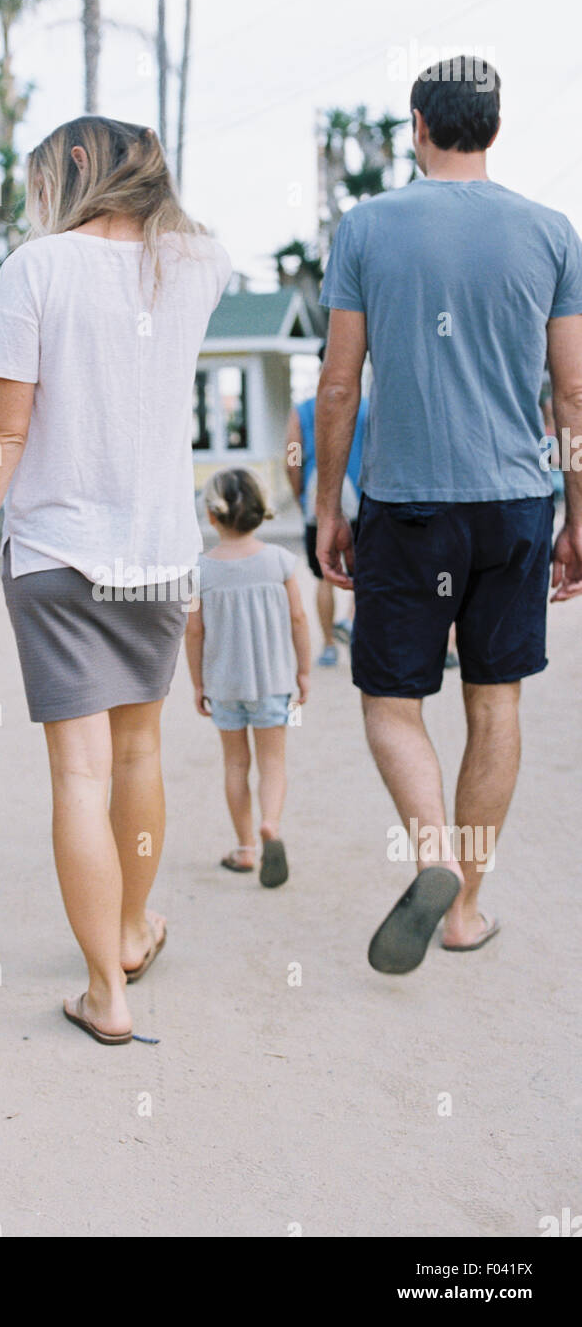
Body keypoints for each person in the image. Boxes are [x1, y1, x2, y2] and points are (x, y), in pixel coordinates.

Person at [0, 116, 231, 1045]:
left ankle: (106, 991)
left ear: (71, 165)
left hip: (56, 551)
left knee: (79, 773)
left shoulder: (36, 268)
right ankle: (131, 933)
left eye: (41, 179)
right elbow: (177, 235)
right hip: (157, 553)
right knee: (139, 756)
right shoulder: (196, 263)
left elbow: (4, 433)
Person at [315, 55, 582, 974]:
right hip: (515, 502)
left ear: (418, 126)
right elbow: (572, 394)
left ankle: (431, 851)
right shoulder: (551, 231)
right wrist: (577, 516)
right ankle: (464, 908)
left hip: (408, 505)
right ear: (493, 128)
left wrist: (328, 506)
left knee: (392, 702)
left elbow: (339, 384)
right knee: (494, 700)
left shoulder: (366, 227)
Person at [185, 468, 310, 887]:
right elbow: (298, 618)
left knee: (235, 764)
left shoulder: (200, 570)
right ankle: (270, 823)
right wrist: (303, 671)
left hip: (224, 686)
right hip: (274, 683)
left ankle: (244, 849)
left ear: (212, 515)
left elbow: (194, 631)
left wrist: (198, 683)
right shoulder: (279, 561)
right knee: (272, 762)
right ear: (260, 511)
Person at [286, 343, 367, 665]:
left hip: (317, 499)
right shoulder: (366, 407)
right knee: (362, 570)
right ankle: (352, 622)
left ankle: (329, 646)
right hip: (360, 498)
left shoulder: (303, 410)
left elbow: (292, 457)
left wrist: (300, 495)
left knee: (324, 574)